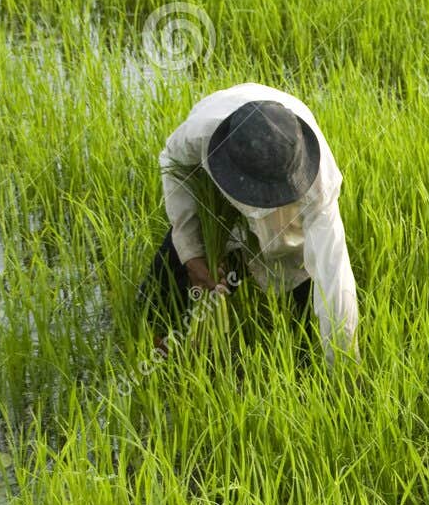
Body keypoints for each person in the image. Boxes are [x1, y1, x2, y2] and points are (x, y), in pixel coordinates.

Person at [148, 83, 358, 363]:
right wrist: (192, 253)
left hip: (290, 222)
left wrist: (343, 365)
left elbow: (334, 277)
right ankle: (167, 350)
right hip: (221, 211)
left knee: (307, 312)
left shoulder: (319, 183)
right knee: (166, 289)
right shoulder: (200, 133)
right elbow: (173, 164)